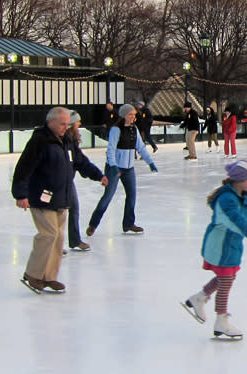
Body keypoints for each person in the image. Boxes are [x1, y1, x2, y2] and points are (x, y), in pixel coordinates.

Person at [181, 160, 247, 339]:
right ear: (238, 179)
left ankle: (199, 298)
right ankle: (221, 320)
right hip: (220, 246)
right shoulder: (226, 200)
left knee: (228, 277)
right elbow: (237, 222)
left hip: (231, 245)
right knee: (226, 280)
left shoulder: (243, 195)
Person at [13, 107, 109, 293]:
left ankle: (48, 277)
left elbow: (81, 161)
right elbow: (24, 168)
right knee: (48, 234)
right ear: (51, 122)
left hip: (61, 197)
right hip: (42, 197)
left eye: (67, 124)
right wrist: (20, 194)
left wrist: (98, 175)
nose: (66, 127)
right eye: (62, 124)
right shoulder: (40, 141)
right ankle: (33, 274)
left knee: (57, 239)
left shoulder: (66, 141)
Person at [87, 104, 158, 238]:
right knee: (108, 196)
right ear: (124, 115)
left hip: (129, 168)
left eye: (134, 115)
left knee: (132, 195)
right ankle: (93, 224)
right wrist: (113, 166)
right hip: (114, 167)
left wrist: (150, 162)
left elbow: (141, 147)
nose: (133, 117)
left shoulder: (134, 129)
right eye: (130, 114)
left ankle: (128, 224)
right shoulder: (116, 130)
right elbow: (111, 149)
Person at [65, 110, 108, 252]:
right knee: (56, 214)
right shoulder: (59, 140)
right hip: (52, 182)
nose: (80, 124)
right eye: (77, 121)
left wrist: (98, 175)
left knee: (74, 208)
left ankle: (74, 240)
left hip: (66, 181)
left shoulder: (71, 140)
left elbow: (81, 161)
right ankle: (54, 245)